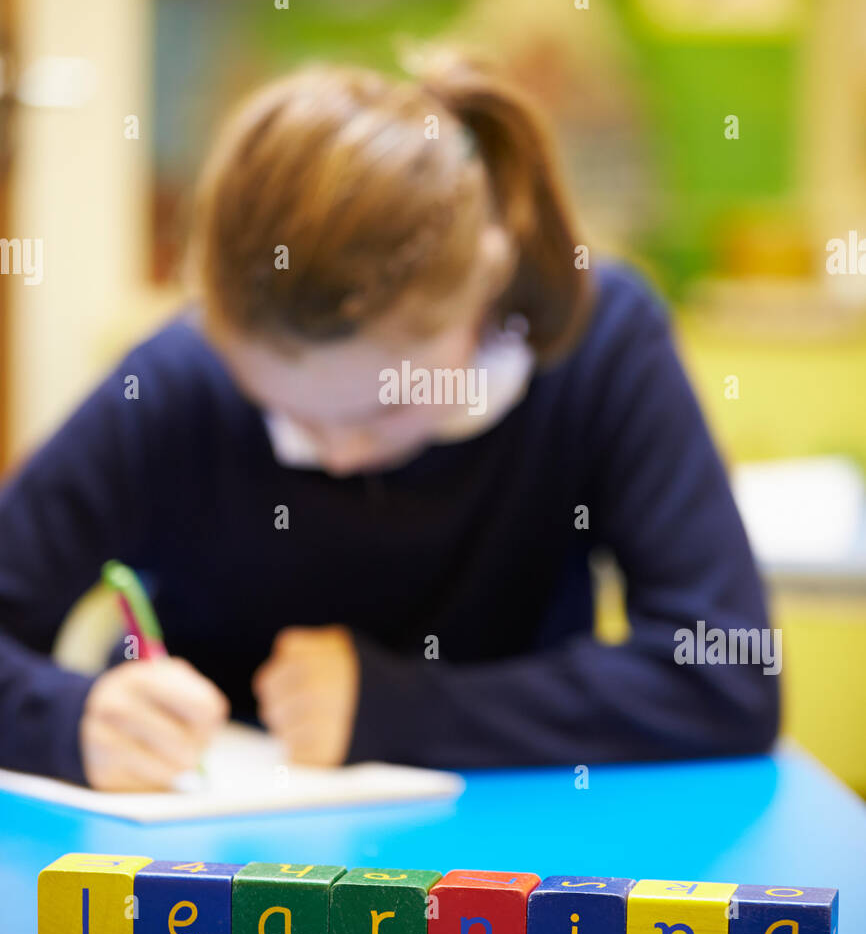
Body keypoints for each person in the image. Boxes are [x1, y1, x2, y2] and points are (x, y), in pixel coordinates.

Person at [0, 48, 778, 788]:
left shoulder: (600, 346)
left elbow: (729, 674)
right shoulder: (178, 382)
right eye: (282, 412)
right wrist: (69, 722)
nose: (336, 457)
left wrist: (396, 711)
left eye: (386, 407)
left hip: (513, 861)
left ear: (483, 297)